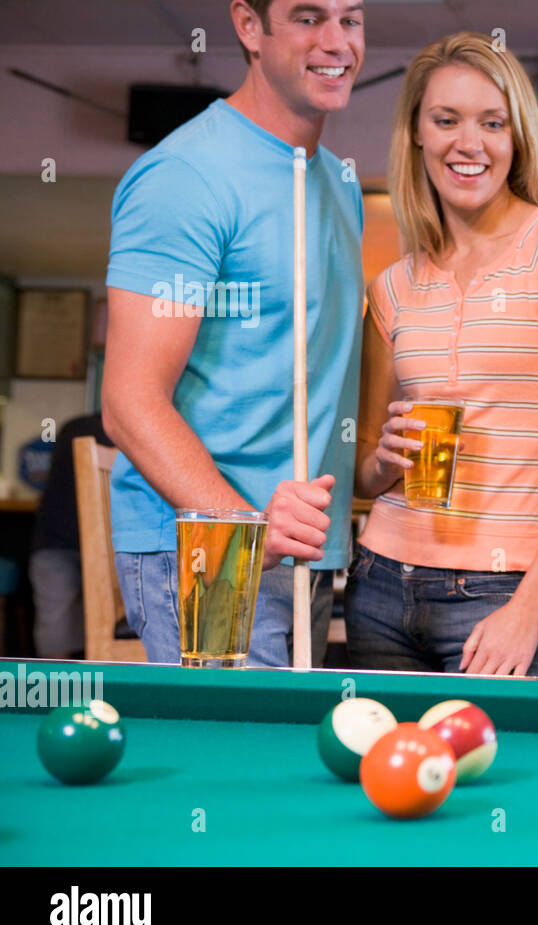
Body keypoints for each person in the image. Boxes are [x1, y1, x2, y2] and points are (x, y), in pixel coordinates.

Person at [346, 32, 538, 676]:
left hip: (501, 591)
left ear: (517, 137)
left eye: (491, 123)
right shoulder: (391, 286)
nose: (467, 143)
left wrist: (529, 608)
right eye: (445, 120)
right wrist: (382, 460)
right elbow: (365, 475)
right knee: (384, 777)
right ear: (417, 134)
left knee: (501, 776)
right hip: (380, 584)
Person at [101, 0, 367, 666]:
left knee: (282, 762)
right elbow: (130, 403)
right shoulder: (187, 177)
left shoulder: (340, 182)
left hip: (307, 544)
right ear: (249, 26)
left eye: (352, 19)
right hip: (208, 547)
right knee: (231, 764)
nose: (337, 42)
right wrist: (248, 528)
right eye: (308, 17)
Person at [29, 414, 113, 659]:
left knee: (56, 622)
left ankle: (55, 691)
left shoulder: (73, 427)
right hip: (78, 543)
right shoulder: (116, 430)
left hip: (54, 540)